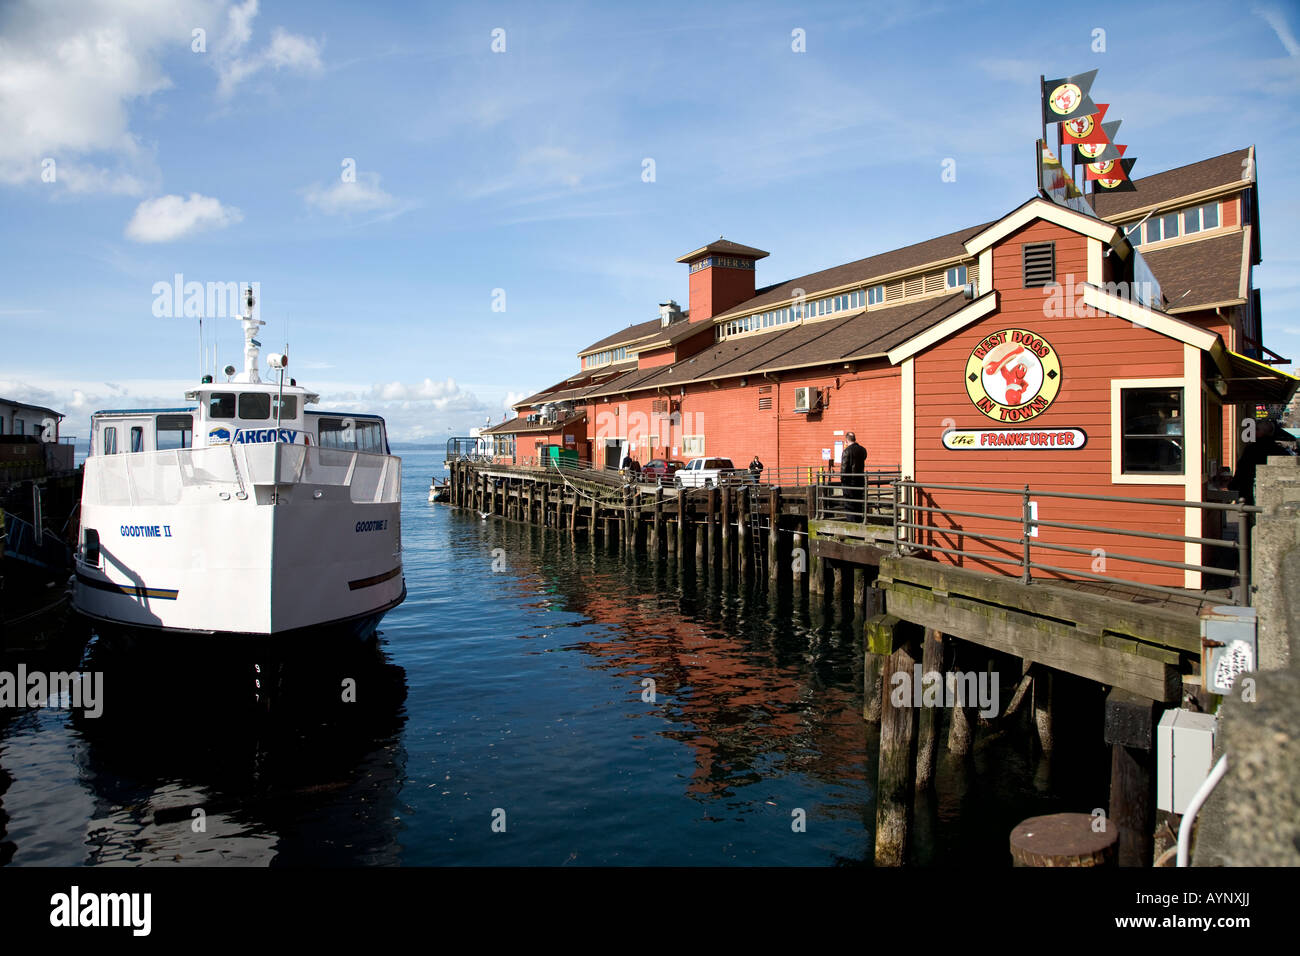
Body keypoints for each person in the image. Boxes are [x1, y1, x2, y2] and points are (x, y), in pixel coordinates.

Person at [1230, 419, 1290, 506]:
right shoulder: (1281, 451)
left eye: (1255, 430)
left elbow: (1243, 470)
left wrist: (1233, 485)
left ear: (1259, 432)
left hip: (1250, 494)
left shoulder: (1251, 450)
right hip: (1275, 496)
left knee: (1248, 516)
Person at [840, 431, 868, 519]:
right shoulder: (862, 450)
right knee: (858, 502)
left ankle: (851, 521)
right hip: (860, 480)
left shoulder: (846, 451)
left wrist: (842, 480)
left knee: (849, 504)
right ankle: (859, 520)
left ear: (846, 440)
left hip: (849, 482)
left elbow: (844, 469)